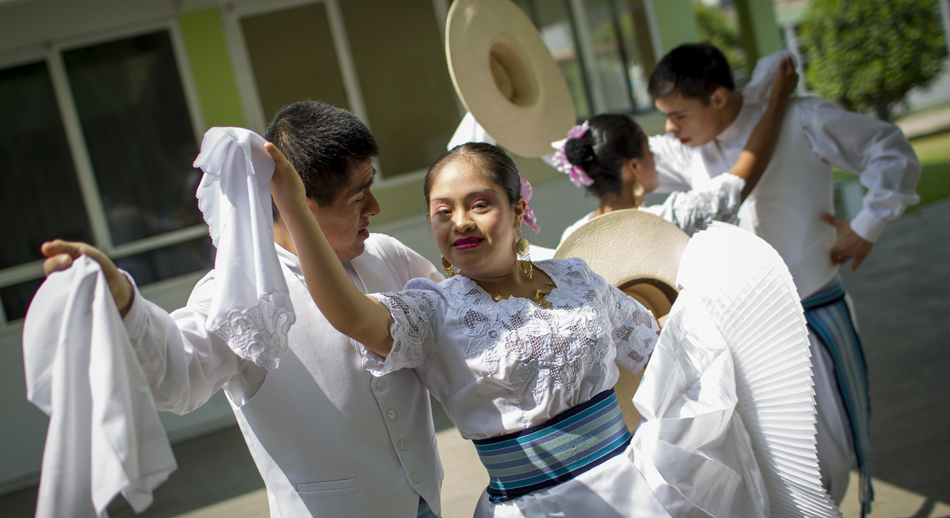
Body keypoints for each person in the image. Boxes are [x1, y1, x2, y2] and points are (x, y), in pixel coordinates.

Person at [269, 137, 779, 517]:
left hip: (636, 491)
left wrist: (725, 310)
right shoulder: (432, 310)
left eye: (479, 204)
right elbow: (352, 316)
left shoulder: (577, 276)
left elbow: (656, 346)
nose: (460, 222)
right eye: (442, 212)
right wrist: (294, 207)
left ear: (518, 211)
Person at [39, 101, 443, 518]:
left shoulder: (388, 255)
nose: (374, 208)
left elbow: (456, 328)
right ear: (298, 202)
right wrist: (124, 301)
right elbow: (174, 376)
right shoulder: (240, 293)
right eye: (358, 198)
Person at [646, 43, 922, 513]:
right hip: (738, 337)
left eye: (678, 115)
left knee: (828, 453)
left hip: (814, 313)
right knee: (762, 459)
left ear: (716, 97)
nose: (669, 129)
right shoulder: (681, 149)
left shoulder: (802, 118)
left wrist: (866, 226)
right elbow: (618, 162)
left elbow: (888, 149)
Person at [558, 57, 797, 242]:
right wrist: (777, 103)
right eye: (649, 149)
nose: (655, 155)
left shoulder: (573, 236)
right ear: (634, 166)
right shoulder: (671, 219)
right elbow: (740, 178)